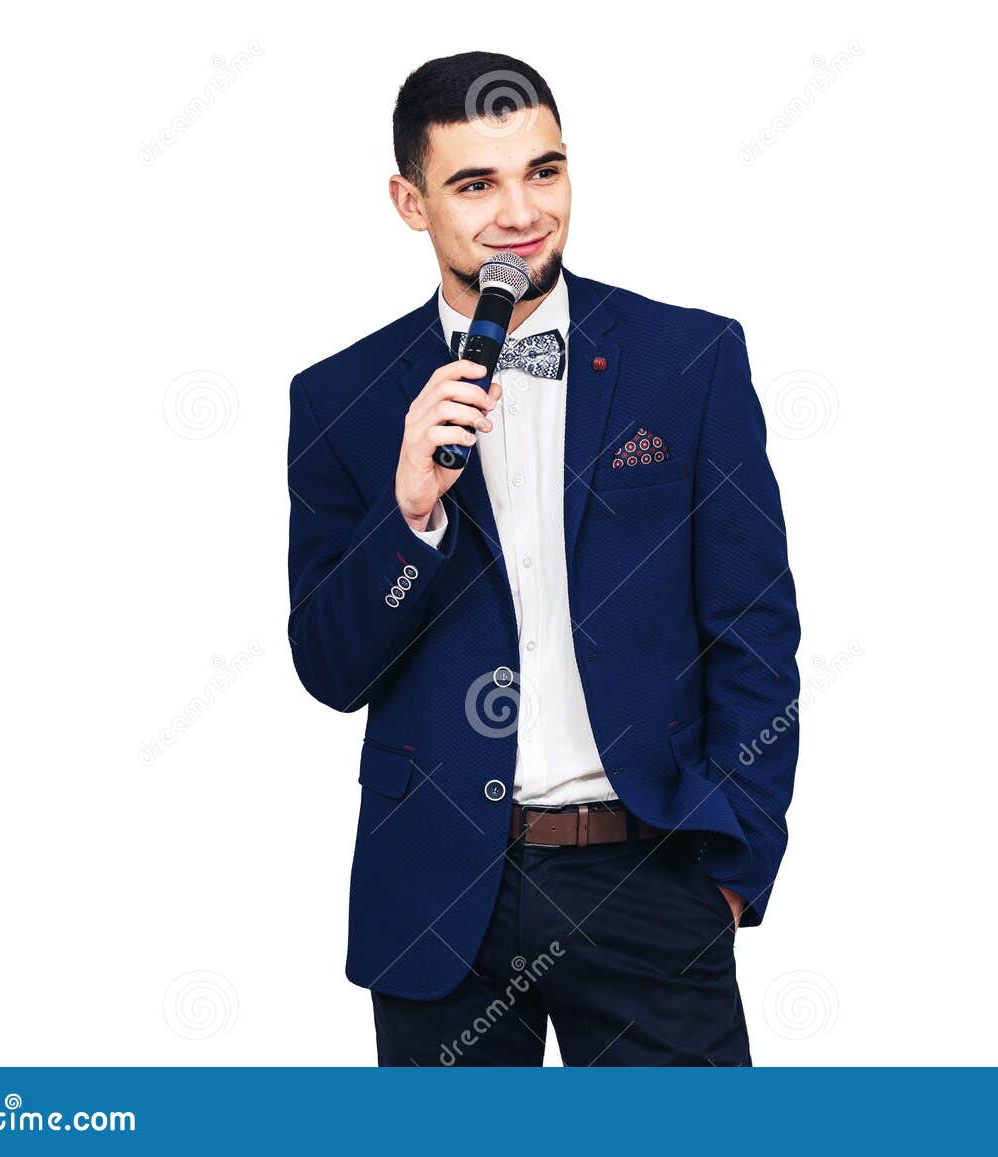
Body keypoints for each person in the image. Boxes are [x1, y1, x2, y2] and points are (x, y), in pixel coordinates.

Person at [285, 50, 801, 1066]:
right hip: (437, 897)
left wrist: (733, 860)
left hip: (651, 874)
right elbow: (331, 668)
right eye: (475, 184)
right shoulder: (337, 398)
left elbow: (753, 625)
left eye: (544, 171)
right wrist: (411, 512)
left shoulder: (685, 360)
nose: (521, 211)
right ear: (409, 200)